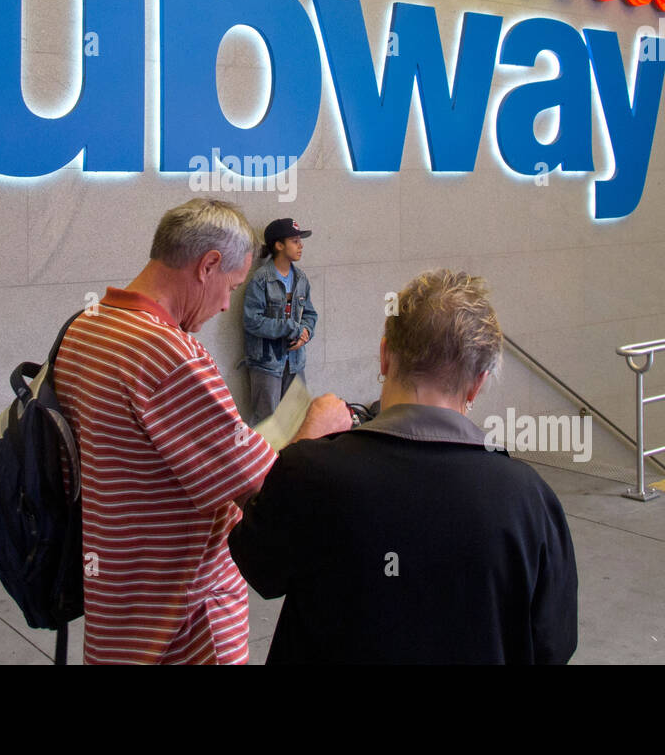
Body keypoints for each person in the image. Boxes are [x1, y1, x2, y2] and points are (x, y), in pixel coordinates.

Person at [50, 198, 349, 664]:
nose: (228, 302)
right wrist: (317, 425)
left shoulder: (86, 329)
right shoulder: (169, 355)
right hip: (183, 622)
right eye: (231, 284)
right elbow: (266, 489)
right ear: (208, 265)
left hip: (118, 609)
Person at [228, 269, 579, 664]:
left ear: (384, 354)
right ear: (478, 383)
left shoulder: (311, 471)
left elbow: (259, 565)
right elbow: (553, 645)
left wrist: (304, 442)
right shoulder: (528, 498)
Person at [242, 218, 317, 424]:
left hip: (295, 363)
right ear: (279, 245)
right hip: (267, 363)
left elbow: (310, 314)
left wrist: (306, 334)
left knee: (296, 420)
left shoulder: (301, 279)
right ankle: (269, 458)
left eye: (300, 240)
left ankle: (290, 458)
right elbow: (252, 321)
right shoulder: (261, 279)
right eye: (294, 240)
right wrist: (291, 328)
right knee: (267, 422)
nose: (300, 245)